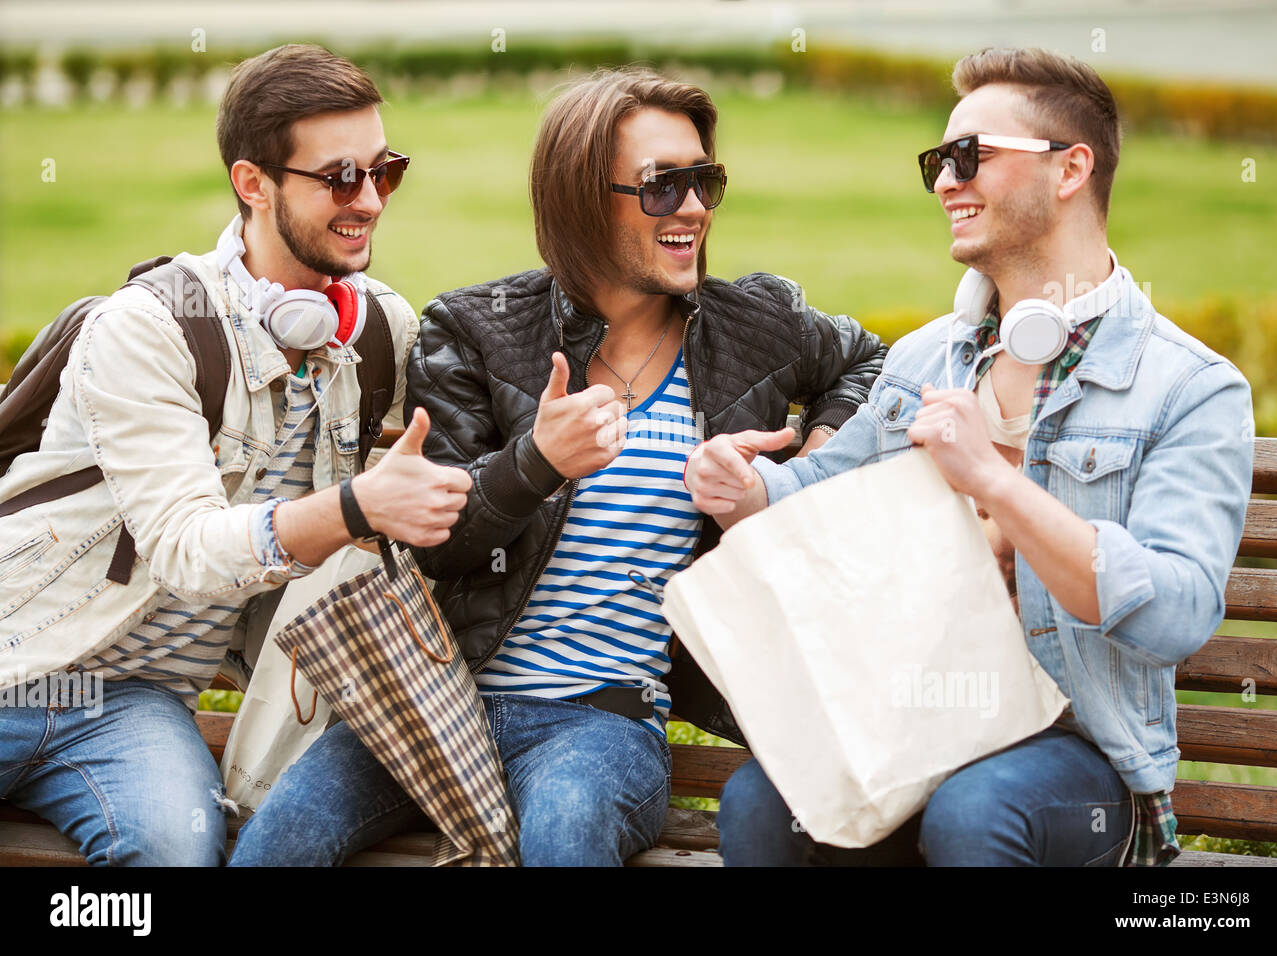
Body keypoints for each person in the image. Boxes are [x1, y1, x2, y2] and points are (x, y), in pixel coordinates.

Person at [231, 66, 888, 866]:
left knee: (565, 837)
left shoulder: (757, 324)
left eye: (704, 181)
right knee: (278, 844)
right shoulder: (477, 328)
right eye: (660, 186)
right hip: (439, 698)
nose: (693, 207)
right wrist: (536, 462)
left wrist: (802, 470)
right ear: (582, 199)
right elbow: (440, 542)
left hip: (604, 721)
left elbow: (872, 366)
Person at [686, 48, 1254, 866]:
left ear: (1070, 170)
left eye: (970, 156)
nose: (946, 181)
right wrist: (742, 488)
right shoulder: (926, 362)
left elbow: (1177, 616)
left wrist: (993, 479)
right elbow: (812, 490)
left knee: (972, 812)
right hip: (917, 725)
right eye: (937, 162)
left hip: (1081, 757)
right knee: (763, 804)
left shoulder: (1189, 388)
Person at [0, 44, 469, 866]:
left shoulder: (379, 332)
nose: (370, 200)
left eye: (383, 171)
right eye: (339, 177)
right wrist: (353, 509)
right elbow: (184, 549)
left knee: (176, 858)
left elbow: (478, 446)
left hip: (131, 708)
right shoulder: (148, 328)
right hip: (16, 657)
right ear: (254, 184)